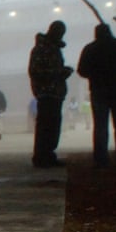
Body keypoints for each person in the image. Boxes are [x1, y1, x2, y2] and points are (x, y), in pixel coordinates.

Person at [76, 23, 116, 168]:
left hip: (98, 89)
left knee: (100, 125)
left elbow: (81, 70)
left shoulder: (90, 49)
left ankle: (101, 159)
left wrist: (94, 75)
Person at [27, 20, 73, 167]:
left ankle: (47, 154)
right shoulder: (42, 49)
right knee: (47, 126)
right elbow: (36, 72)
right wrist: (59, 73)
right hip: (47, 93)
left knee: (51, 126)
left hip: (52, 92)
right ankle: (42, 156)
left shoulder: (50, 49)